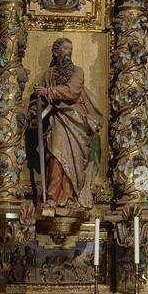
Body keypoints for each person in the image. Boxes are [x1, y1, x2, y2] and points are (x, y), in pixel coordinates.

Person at [30, 39, 103, 208]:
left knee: (74, 158)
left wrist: (48, 91)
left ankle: (70, 196)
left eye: (70, 49)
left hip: (76, 119)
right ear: (55, 53)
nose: (68, 52)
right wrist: (33, 113)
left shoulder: (78, 72)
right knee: (56, 155)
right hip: (57, 120)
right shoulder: (47, 75)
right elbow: (36, 100)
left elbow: (73, 91)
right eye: (64, 48)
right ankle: (53, 196)